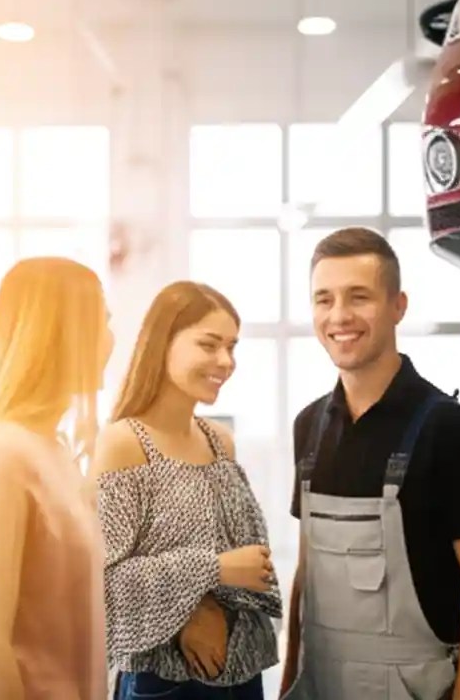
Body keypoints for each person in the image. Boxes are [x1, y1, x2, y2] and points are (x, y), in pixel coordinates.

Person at [280, 227, 460, 700]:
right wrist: (288, 684)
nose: (339, 316)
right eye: (323, 300)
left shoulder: (451, 432)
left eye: (359, 297)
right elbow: (306, 575)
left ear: (398, 306)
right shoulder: (309, 427)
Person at [0, 257, 115, 700]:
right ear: (61, 333)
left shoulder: (53, 451)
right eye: (101, 322)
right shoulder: (3, 457)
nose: (110, 339)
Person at [90, 281, 283, 700]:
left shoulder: (220, 441)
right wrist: (205, 582)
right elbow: (102, 581)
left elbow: (254, 567)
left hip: (242, 673)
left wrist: (215, 596)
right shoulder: (123, 443)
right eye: (208, 344)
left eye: (232, 347)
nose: (225, 361)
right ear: (163, 344)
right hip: (166, 683)